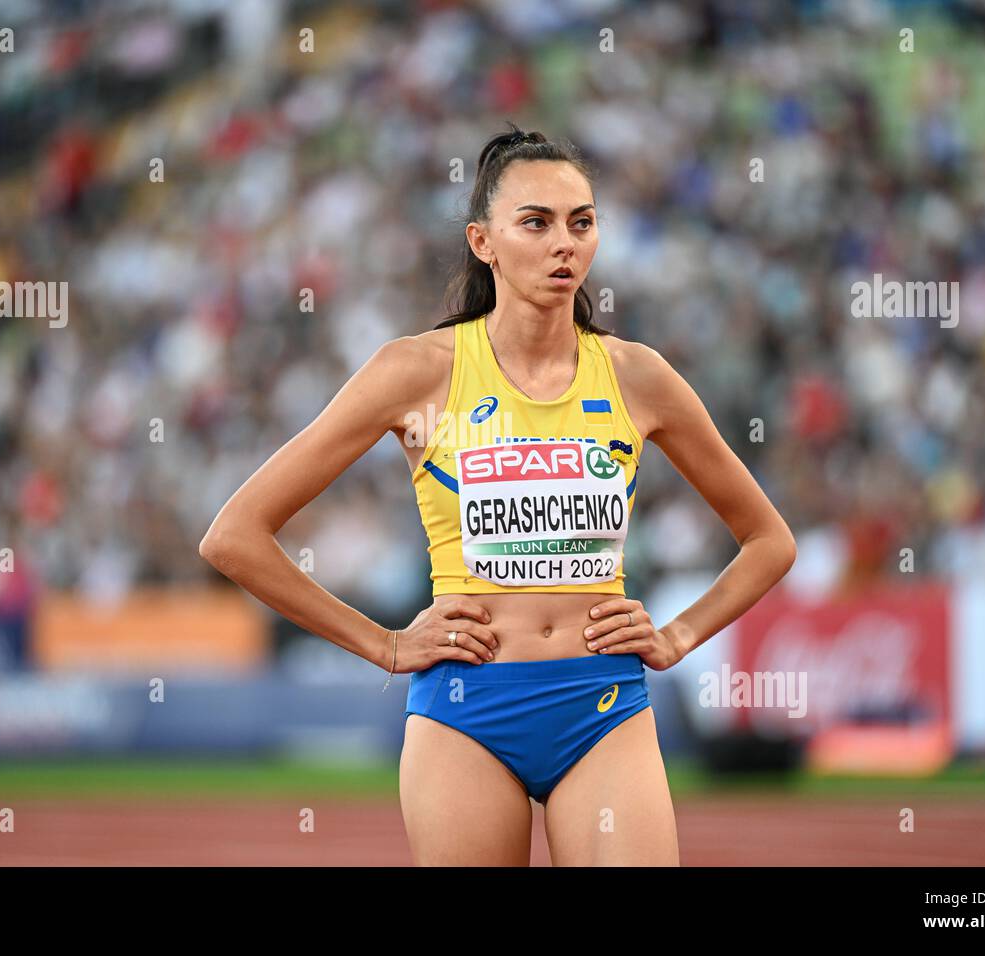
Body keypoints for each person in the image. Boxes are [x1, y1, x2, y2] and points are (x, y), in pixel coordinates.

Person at [199, 124, 796, 866]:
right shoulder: (416, 371)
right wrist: (384, 645)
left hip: (603, 706)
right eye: (536, 223)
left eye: (582, 223)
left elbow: (770, 541)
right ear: (483, 241)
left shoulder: (636, 376)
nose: (564, 245)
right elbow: (235, 535)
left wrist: (677, 636)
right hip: (465, 712)